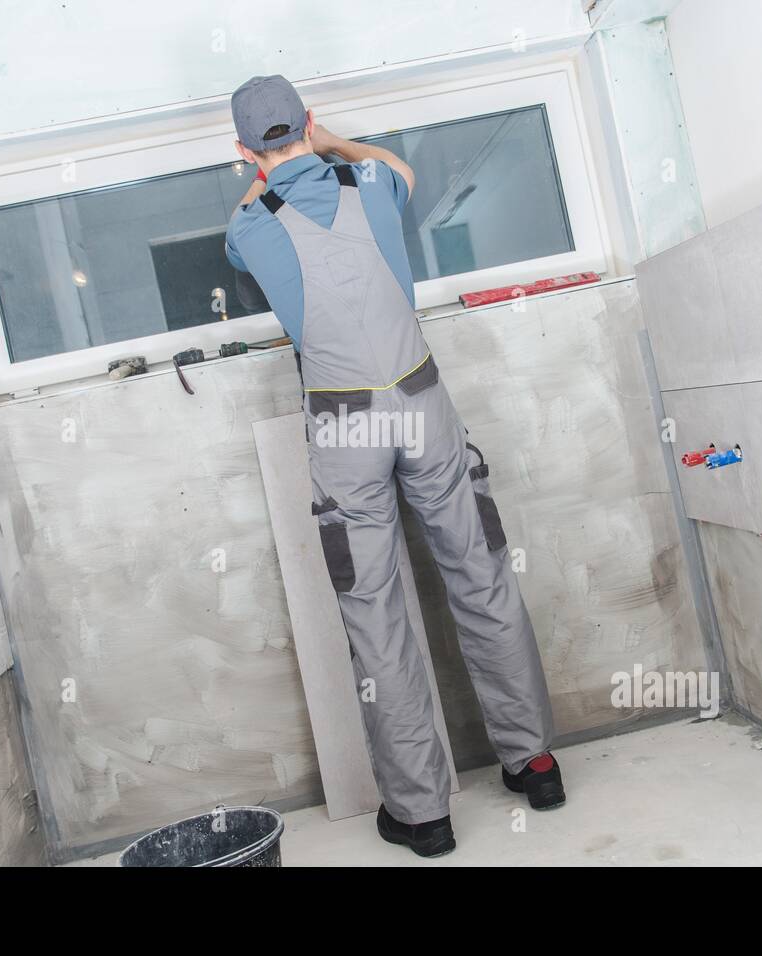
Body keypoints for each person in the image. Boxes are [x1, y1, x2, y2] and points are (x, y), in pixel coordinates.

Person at [225, 75, 562, 858]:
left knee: (375, 615)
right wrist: (329, 141)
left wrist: (269, 167)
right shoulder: (370, 180)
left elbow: (245, 218)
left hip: (343, 423)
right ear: (308, 122)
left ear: (244, 151)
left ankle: (424, 815)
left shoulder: (250, 226)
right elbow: (391, 168)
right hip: (422, 402)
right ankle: (535, 764)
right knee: (478, 571)